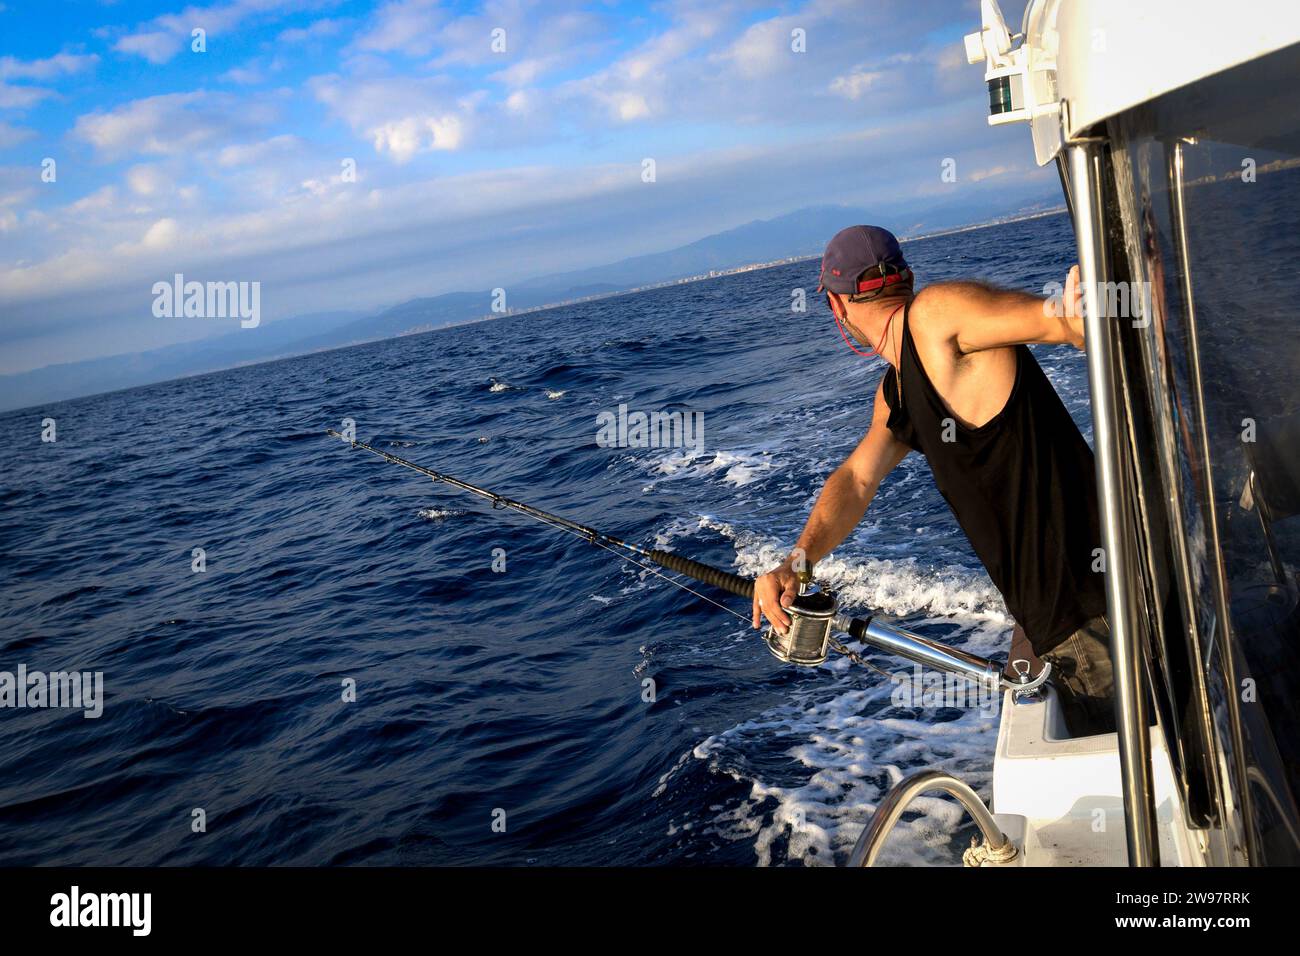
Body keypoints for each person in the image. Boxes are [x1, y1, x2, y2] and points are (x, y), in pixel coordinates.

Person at [752, 225, 1115, 736]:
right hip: (1062, 614)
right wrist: (798, 562)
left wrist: (1076, 317)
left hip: (1092, 611)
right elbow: (857, 478)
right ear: (906, 277)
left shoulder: (934, 316)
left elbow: (1066, 324)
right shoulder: (898, 390)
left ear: (838, 308)